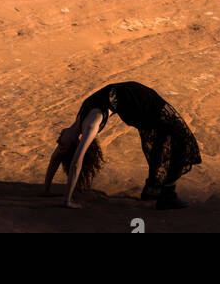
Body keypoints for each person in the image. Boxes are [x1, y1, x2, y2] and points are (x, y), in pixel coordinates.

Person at [44, 81, 201, 210]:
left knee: (161, 138)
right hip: (142, 103)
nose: (58, 143)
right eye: (62, 146)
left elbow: (56, 157)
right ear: (76, 142)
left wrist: (47, 190)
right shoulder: (90, 126)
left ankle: (153, 189)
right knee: (182, 138)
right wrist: (67, 200)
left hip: (137, 98)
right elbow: (76, 163)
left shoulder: (77, 124)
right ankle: (167, 194)